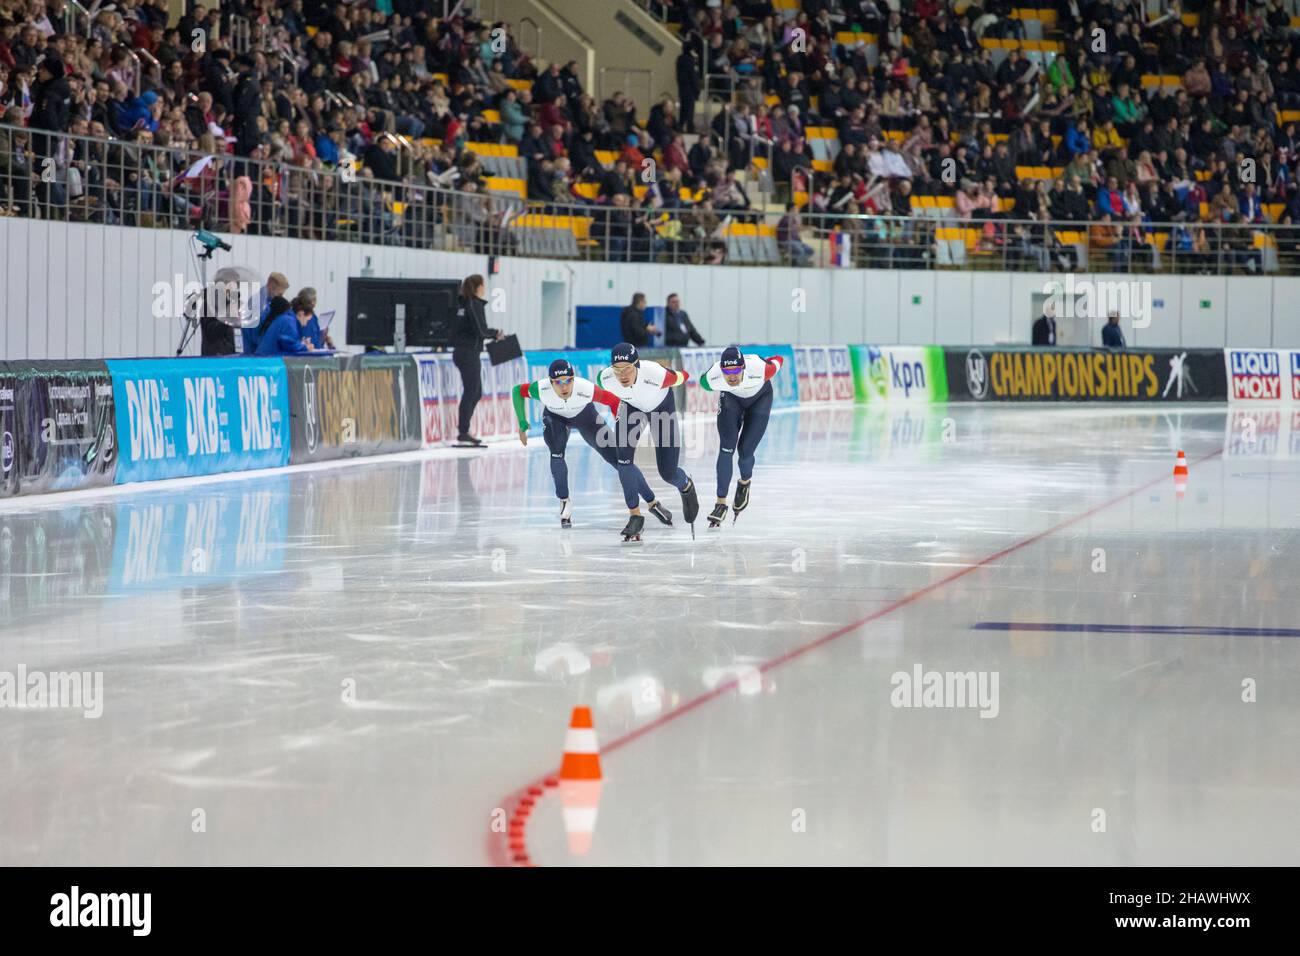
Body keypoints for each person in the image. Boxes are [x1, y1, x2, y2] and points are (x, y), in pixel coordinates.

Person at [512, 358, 672, 529]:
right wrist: (522, 422)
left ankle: (652, 502)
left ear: (574, 379)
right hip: (555, 418)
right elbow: (517, 391)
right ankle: (564, 500)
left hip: (586, 418)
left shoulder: (586, 389)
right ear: (550, 383)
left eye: (568, 381)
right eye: (558, 383)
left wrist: (620, 425)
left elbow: (613, 401)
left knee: (620, 460)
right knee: (556, 454)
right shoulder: (540, 389)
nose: (564, 387)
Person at [596, 343, 699, 540]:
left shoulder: (656, 374)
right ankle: (635, 516)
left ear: (637, 365)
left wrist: (681, 376)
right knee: (623, 460)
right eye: (617, 370)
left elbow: (682, 376)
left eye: (627, 369)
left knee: (668, 472)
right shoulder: (605, 378)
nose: (622, 375)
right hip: (631, 408)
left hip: (662, 407)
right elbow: (611, 397)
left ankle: (685, 485)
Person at [698, 347, 785, 527]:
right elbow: (702, 382)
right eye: (727, 372)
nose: (732, 377)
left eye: (736, 371)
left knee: (745, 452)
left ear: (743, 367)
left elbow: (778, 359)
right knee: (726, 446)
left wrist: (766, 359)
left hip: (760, 398)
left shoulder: (761, 369)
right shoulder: (712, 378)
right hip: (732, 399)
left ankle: (744, 483)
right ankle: (720, 503)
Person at [452, 273, 504, 447]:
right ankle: (463, 432)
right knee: (471, 392)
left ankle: (464, 430)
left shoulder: (463, 303)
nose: (485, 288)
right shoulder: (473, 304)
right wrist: (495, 333)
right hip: (467, 353)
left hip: (466, 352)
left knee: (476, 392)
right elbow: (479, 330)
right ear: (478, 287)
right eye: (483, 285)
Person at [243, 272, 288, 354]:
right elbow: (257, 335)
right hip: (255, 354)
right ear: (271, 286)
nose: (281, 297)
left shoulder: (266, 303)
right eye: (280, 294)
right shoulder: (258, 304)